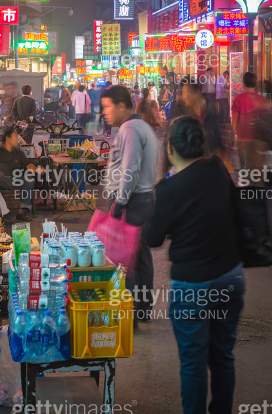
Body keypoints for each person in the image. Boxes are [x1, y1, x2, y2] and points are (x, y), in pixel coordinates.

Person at [144, 116, 244, 414]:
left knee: (193, 362)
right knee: (223, 355)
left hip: (191, 287)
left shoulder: (168, 189)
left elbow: (152, 238)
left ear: (170, 148)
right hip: (230, 277)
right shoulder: (216, 168)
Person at [101, 85, 159, 325]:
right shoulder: (141, 126)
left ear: (121, 106)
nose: (104, 112)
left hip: (134, 201)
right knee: (140, 254)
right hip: (144, 199)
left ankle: (129, 316)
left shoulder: (129, 129)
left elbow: (131, 169)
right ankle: (143, 308)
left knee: (125, 260)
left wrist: (120, 201)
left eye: (107, 107)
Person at [0, 129, 41, 221]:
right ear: (8, 139)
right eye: (15, 137)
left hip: (14, 181)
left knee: (29, 181)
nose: (17, 140)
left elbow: (28, 165)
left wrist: (36, 169)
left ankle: (22, 212)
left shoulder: (19, 153)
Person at [231, 72, 268, 169]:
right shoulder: (262, 100)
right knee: (256, 167)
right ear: (255, 83)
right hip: (257, 139)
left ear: (243, 83)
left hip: (242, 138)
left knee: (244, 167)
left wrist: (231, 138)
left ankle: (245, 180)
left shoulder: (238, 99)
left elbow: (234, 120)